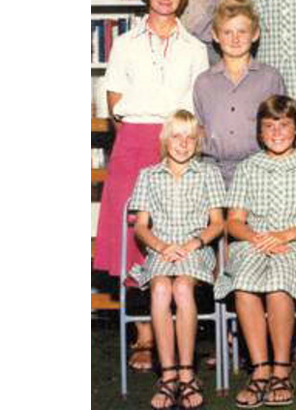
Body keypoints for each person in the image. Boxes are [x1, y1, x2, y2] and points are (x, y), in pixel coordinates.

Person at [94, 0, 209, 372]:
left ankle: (179, 332)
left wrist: (175, 133)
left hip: (177, 143)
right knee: (134, 236)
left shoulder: (196, 49)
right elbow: (115, 105)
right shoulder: (125, 43)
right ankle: (144, 334)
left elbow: (194, 108)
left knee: (175, 231)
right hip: (134, 143)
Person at [216, 96, 296, 408]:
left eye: (284, 125)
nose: (277, 132)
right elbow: (234, 222)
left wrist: (286, 234)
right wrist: (258, 238)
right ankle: (260, 370)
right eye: (269, 126)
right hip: (255, 242)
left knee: (279, 281)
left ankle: (282, 369)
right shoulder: (248, 167)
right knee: (243, 282)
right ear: (259, 132)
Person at [128, 110, 227, 410]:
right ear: (165, 139)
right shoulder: (149, 174)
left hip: (195, 249)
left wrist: (191, 243)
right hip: (160, 250)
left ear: (197, 143)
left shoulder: (208, 173)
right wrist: (161, 246)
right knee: (160, 290)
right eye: (176, 136)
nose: (183, 144)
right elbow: (141, 226)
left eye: (190, 138)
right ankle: (168, 375)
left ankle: (187, 373)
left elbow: (218, 223)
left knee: (182, 288)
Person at [193, 0, 286, 187]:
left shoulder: (270, 78)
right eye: (227, 32)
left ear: (255, 34)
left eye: (242, 32)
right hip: (212, 174)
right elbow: (199, 130)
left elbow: (281, 126)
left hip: (260, 173)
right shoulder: (203, 82)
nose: (235, 39)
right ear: (215, 36)